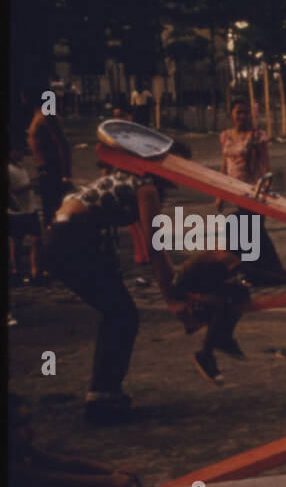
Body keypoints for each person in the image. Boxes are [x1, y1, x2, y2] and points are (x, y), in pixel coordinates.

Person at [43, 141, 194, 423]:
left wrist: (175, 281)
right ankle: (101, 399)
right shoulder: (146, 187)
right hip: (72, 239)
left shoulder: (133, 178)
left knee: (118, 313)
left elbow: (157, 250)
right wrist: (172, 299)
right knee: (122, 315)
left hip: (62, 236)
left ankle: (105, 393)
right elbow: (154, 248)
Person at [216, 100, 286, 287]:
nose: (241, 116)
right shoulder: (226, 136)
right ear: (231, 115)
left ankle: (265, 272)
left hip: (252, 191)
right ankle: (259, 272)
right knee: (250, 233)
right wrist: (219, 194)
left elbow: (266, 164)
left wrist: (265, 187)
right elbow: (224, 165)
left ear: (251, 114)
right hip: (232, 191)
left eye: (245, 112)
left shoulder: (257, 136)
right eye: (238, 112)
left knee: (248, 229)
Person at [8, 393, 141, 487]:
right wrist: (109, 481)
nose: (30, 430)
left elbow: (59, 461)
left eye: (28, 422)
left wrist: (112, 471)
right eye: (20, 424)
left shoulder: (18, 445)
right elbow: (42, 479)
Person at [172, 247, 251, 385]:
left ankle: (225, 339)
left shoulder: (229, 252)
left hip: (202, 283)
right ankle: (206, 354)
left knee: (241, 294)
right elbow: (253, 274)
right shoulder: (227, 256)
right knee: (223, 304)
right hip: (186, 288)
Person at [25, 93, 72, 229]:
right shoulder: (38, 115)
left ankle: (55, 242)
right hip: (44, 169)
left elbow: (62, 144)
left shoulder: (46, 115)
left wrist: (65, 175)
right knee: (49, 209)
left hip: (51, 169)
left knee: (52, 210)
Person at [8, 143, 45, 283]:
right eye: (19, 151)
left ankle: (36, 272)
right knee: (17, 242)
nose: (22, 154)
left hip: (31, 208)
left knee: (37, 239)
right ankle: (16, 271)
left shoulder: (20, 166)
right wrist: (31, 185)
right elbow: (11, 191)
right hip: (16, 212)